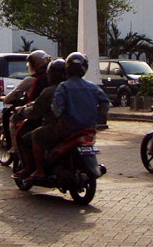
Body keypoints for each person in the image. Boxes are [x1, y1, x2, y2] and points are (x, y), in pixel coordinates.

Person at [25, 52, 109, 182]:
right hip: (89, 128)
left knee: (36, 135)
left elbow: (57, 107)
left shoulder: (63, 86)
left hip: (66, 128)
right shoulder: (92, 87)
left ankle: (40, 171)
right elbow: (105, 104)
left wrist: (60, 118)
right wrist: (96, 116)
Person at [13, 58, 65, 176]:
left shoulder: (51, 90)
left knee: (32, 137)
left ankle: (38, 170)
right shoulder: (75, 87)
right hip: (81, 127)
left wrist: (22, 112)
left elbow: (36, 110)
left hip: (58, 126)